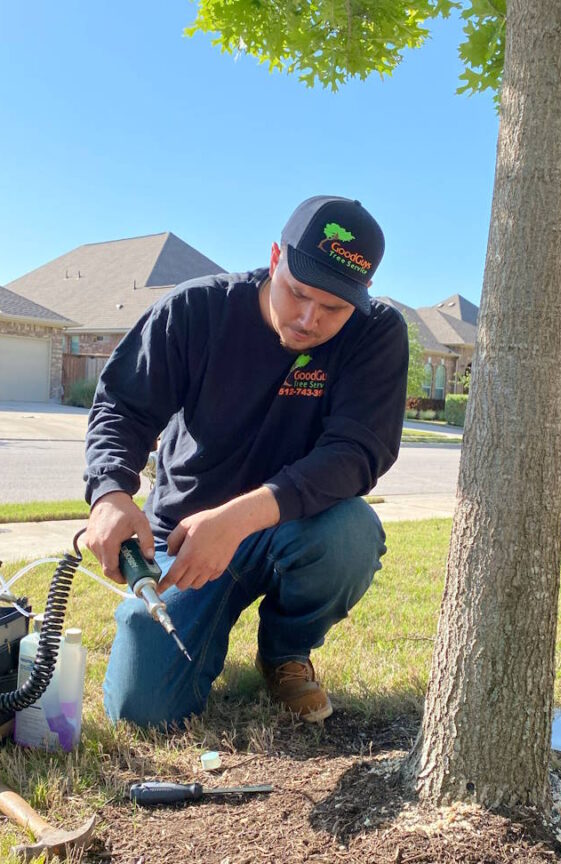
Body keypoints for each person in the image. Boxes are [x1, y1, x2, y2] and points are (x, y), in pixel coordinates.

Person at [84, 195, 408, 727]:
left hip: (296, 528)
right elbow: (122, 406)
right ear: (276, 257)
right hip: (184, 535)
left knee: (352, 532)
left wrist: (238, 519)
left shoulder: (376, 334)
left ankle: (285, 652)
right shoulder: (196, 310)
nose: (309, 319)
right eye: (298, 293)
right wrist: (110, 492)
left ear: (364, 291)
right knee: (141, 712)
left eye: (333, 307)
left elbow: (357, 451)